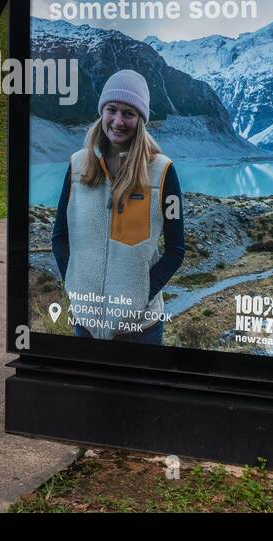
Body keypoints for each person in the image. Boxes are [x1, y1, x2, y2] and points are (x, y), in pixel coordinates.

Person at [50, 69, 185, 344]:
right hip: (85, 324)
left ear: (141, 120)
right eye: (112, 109)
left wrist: (141, 294)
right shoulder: (77, 165)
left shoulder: (162, 171)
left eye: (129, 113)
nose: (118, 121)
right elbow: (59, 237)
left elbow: (176, 250)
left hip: (140, 330)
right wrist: (75, 288)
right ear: (102, 112)